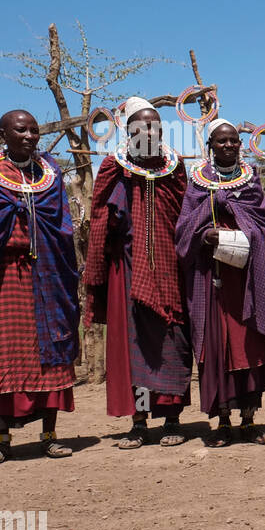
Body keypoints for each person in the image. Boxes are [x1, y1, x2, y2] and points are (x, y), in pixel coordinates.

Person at [0, 109, 79, 463]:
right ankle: (2, 440)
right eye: (21, 131)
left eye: (34, 131)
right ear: (3, 133)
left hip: (48, 275)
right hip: (0, 277)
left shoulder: (50, 172)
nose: (29, 136)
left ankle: (50, 435)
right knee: (2, 352)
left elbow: (62, 224)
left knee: (50, 351)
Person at [83, 97, 192, 449]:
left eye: (156, 125)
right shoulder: (115, 165)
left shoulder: (174, 166)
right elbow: (99, 214)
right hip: (126, 269)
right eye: (142, 125)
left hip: (170, 266)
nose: (150, 130)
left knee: (172, 341)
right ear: (129, 130)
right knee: (135, 351)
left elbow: (185, 214)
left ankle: (173, 419)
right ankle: (140, 422)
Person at [175, 119, 265, 446]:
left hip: (245, 278)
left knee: (248, 346)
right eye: (222, 141)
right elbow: (183, 228)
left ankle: (248, 420)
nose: (229, 146)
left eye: (234, 140)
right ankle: (222, 421)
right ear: (210, 146)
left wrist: (243, 232)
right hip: (211, 280)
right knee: (218, 347)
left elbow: (263, 225)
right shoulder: (196, 183)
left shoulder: (251, 181)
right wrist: (205, 233)